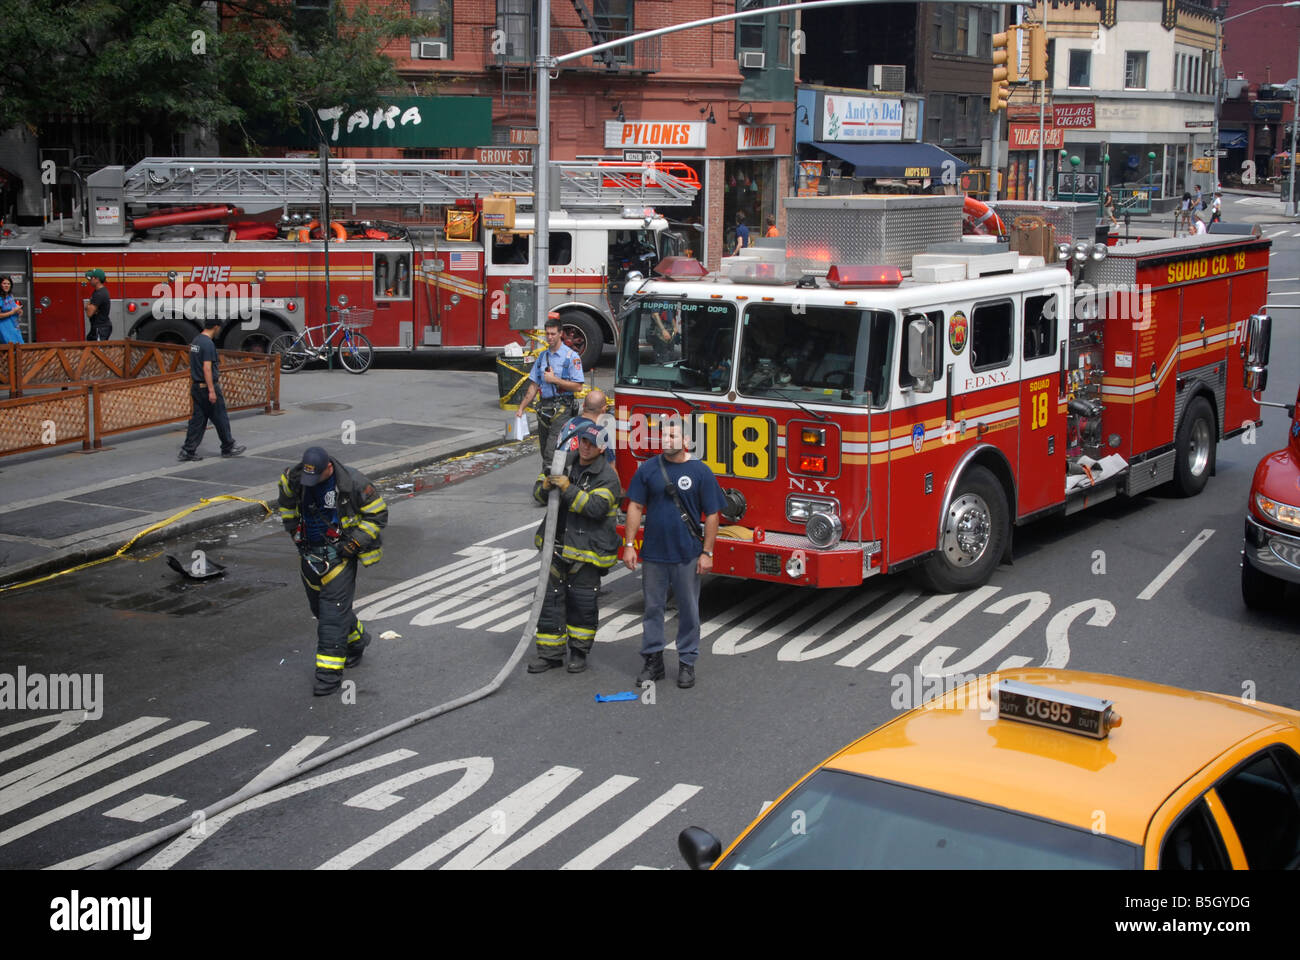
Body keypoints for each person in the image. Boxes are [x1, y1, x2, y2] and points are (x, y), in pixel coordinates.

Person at [622, 415, 725, 690]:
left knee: (689, 611)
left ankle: (687, 663)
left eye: (672, 436)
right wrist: (629, 545)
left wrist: (707, 552)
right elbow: (634, 507)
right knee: (652, 609)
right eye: (663, 437)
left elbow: (713, 514)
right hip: (654, 555)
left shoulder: (700, 472)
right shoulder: (648, 470)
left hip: (687, 555)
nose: (666, 441)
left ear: (687, 441)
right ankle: (653, 661)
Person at [279, 447, 388, 696]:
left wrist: (354, 543)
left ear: (328, 467)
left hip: (339, 557)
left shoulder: (354, 483)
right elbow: (286, 502)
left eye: (316, 477)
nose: (311, 483)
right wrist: (293, 529)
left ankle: (328, 676)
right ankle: (358, 640)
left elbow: (377, 516)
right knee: (321, 610)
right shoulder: (295, 478)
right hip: (309, 554)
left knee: (331, 617)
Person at [527, 422, 622, 674]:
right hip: (556, 547)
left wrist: (568, 488)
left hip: (587, 552)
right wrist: (545, 486)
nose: (586, 447)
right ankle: (550, 654)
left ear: (602, 448)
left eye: (591, 444)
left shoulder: (608, 478)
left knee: (582, 604)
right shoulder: (563, 463)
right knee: (550, 603)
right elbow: (537, 494)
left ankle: (579, 653)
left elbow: (594, 508)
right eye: (583, 442)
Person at [515, 314, 584, 473]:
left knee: (551, 450)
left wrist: (555, 380)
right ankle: (561, 475)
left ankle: (549, 484)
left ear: (561, 334)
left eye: (553, 334)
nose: (549, 337)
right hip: (544, 408)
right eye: (547, 333)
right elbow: (533, 385)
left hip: (563, 407)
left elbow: (578, 387)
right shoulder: (542, 356)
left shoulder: (571, 357)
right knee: (545, 447)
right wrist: (521, 408)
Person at [178, 319, 246, 462]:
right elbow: (207, 368)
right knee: (220, 418)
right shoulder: (208, 344)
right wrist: (211, 390)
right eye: (219, 328)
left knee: (198, 420)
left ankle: (188, 450)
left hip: (196, 386)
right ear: (216, 327)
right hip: (207, 386)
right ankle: (228, 446)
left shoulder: (196, 341)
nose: (219, 331)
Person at [555, 388, 615, 464]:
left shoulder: (568, 423)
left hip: (559, 470)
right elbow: (611, 468)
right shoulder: (598, 433)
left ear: (583, 405)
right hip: (578, 473)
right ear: (604, 409)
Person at [83, 268, 112, 340]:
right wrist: (89, 307)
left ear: (97, 279)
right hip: (97, 327)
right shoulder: (98, 291)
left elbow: (89, 313)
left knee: (98, 350)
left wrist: (88, 306)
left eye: (91, 278)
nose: (89, 280)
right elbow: (88, 307)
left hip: (100, 328)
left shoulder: (99, 294)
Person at [0, 276, 23, 344]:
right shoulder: (0, 298)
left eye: (8, 284)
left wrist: (19, 311)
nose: (6, 286)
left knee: (19, 346)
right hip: (5, 328)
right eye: (4, 283)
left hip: (14, 326)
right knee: (12, 349)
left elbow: (13, 307)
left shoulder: (10, 296)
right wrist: (13, 312)